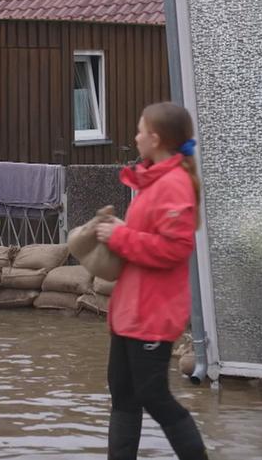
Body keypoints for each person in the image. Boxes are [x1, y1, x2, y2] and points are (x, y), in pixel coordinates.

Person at [95, 102, 209, 460]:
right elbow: (150, 237)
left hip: (152, 314)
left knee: (153, 396)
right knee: (124, 396)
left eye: (141, 130)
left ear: (156, 139)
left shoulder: (174, 185)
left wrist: (119, 237)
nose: (136, 136)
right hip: (131, 310)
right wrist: (120, 232)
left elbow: (175, 248)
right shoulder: (156, 180)